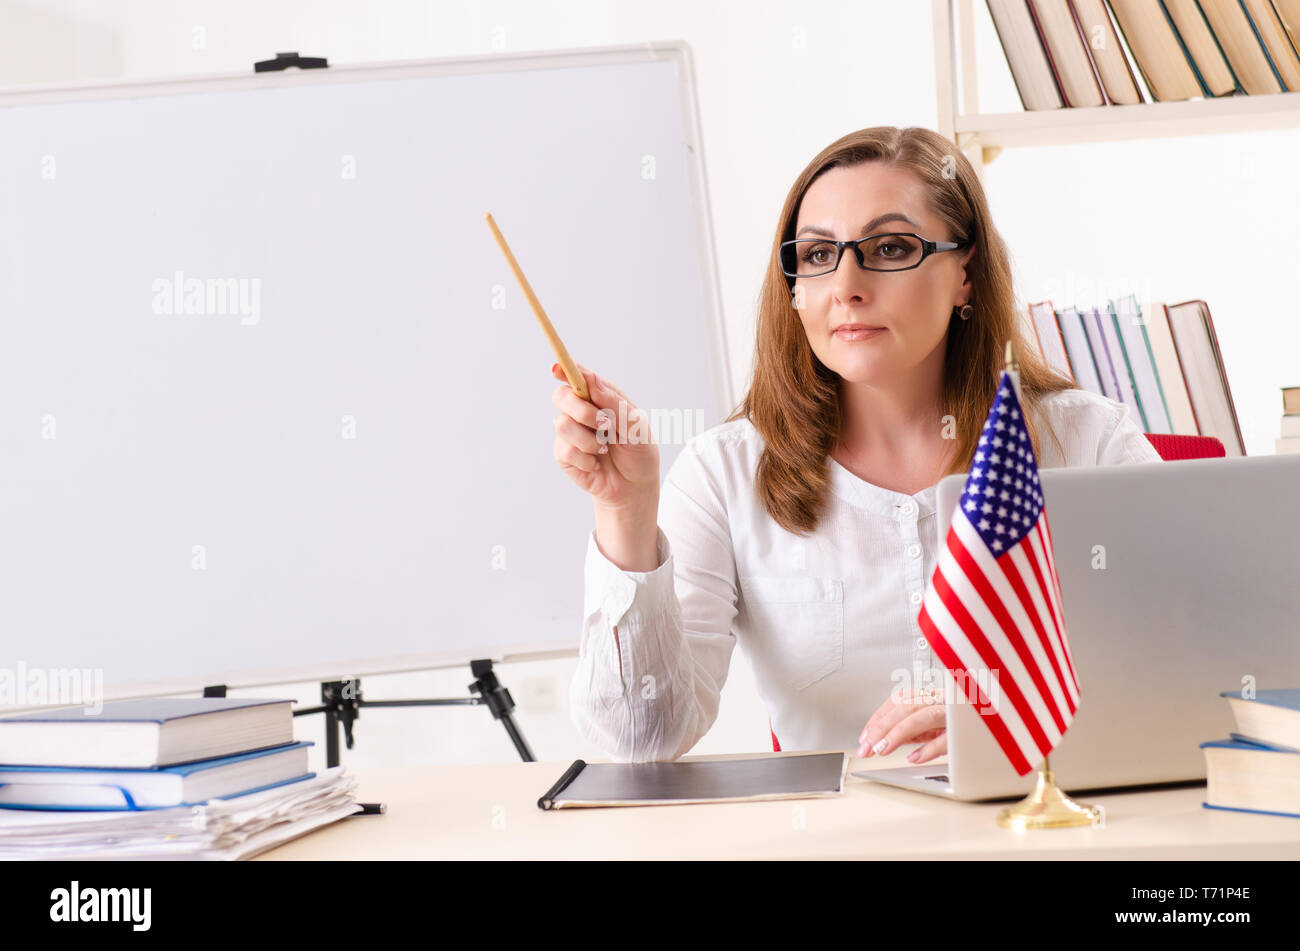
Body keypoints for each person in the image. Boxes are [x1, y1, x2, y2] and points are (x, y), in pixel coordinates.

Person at [548, 126, 1161, 765]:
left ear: (966, 276)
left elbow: (1188, 663)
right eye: (816, 256)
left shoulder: (1089, 442)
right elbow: (640, 743)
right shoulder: (723, 473)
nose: (846, 285)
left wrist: (1017, 710)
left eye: (891, 247)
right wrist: (625, 510)